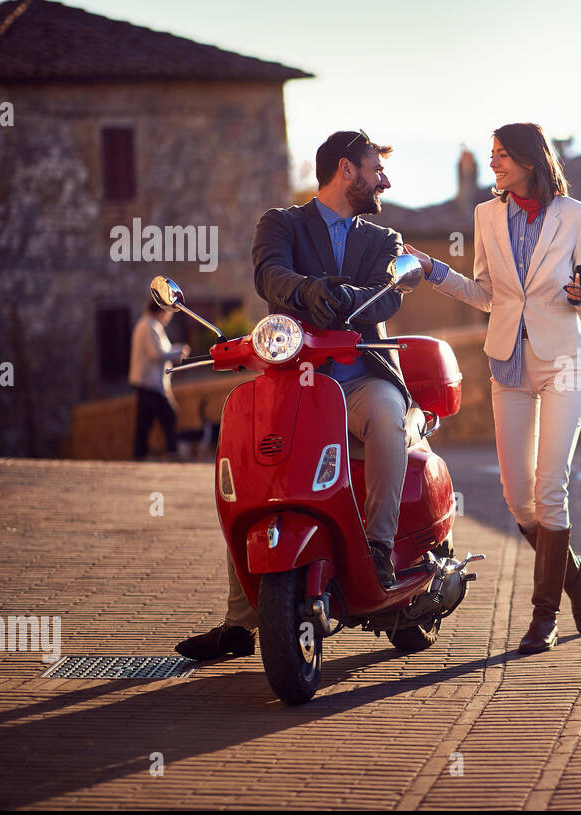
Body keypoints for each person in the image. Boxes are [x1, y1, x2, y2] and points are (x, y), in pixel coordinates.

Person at [176, 129, 414, 661]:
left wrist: (339, 298)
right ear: (346, 170)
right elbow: (270, 275)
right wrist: (307, 291)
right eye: (376, 170)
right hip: (294, 383)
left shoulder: (384, 240)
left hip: (359, 380)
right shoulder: (279, 223)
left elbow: (385, 296)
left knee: (388, 417)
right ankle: (240, 622)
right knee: (249, 474)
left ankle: (377, 549)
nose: (385, 181)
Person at [406, 122, 581, 654]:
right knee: (519, 502)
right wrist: (432, 270)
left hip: (562, 362)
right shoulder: (486, 216)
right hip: (507, 365)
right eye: (490, 155)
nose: (493, 163)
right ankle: (575, 571)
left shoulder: (575, 214)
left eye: (501, 155)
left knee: (550, 488)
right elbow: (487, 293)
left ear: (529, 160)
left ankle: (544, 617)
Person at [129, 299, 190, 460]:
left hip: (152, 383)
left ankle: (143, 454)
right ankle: (168, 452)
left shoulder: (150, 325)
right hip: (150, 383)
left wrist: (177, 351)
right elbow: (156, 354)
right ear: (161, 310)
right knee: (165, 417)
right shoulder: (149, 326)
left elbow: (162, 350)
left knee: (148, 421)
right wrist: (178, 353)